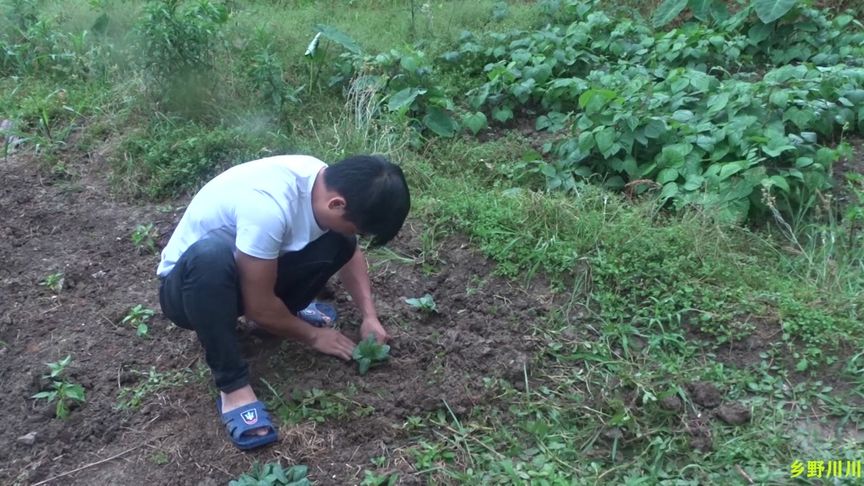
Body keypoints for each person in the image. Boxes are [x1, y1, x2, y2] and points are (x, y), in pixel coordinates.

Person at [156, 154, 410, 450]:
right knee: (210, 258)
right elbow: (259, 306)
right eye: (357, 228)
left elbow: (351, 254)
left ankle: (281, 319)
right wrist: (315, 336)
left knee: (340, 242)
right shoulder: (268, 206)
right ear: (337, 204)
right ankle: (233, 386)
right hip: (190, 291)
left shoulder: (322, 181)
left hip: (249, 267)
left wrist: (369, 315)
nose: (356, 235)